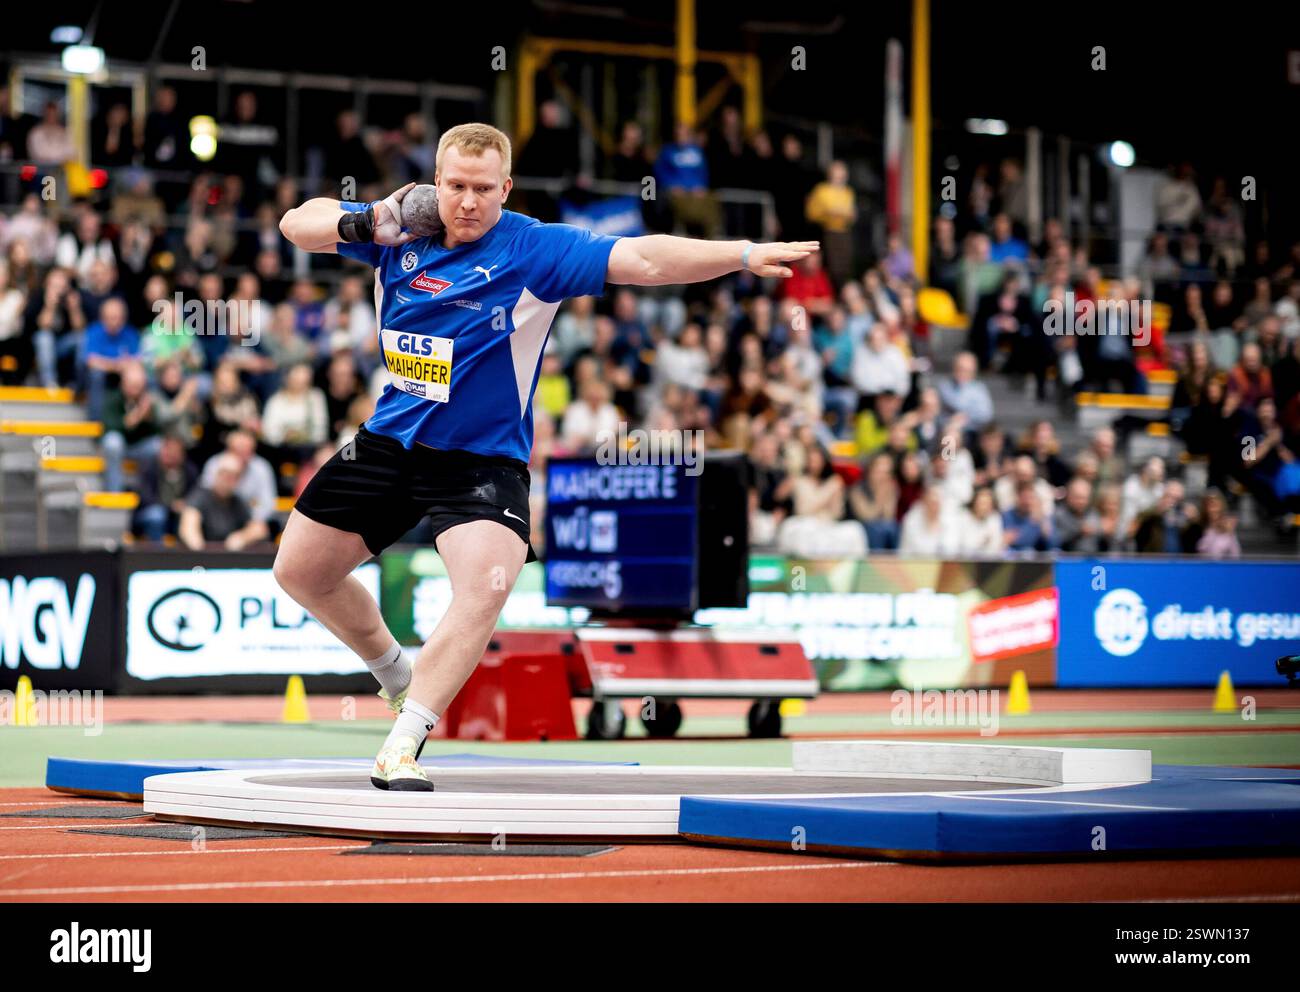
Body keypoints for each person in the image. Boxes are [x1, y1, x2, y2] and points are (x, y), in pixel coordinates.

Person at [274, 122, 819, 791]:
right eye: (454, 187)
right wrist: (376, 218)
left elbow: (644, 260)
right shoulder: (402, 235)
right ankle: (395, 676)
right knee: (300, 571)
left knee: (485, 588)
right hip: (390, 439)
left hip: (481, 459)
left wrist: (738, 253)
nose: (468, 203)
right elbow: (297, 224)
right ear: (435, 184)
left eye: (482, 189)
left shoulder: (533, 249)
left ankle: (403, 743)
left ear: (506, 188)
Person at [179, 453, 269, 550]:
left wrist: (242, 537)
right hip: (199, 559)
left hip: (228, 559)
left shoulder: (237, 501)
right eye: (225, 475)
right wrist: (198, 546)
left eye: (234, 476)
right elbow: (188, 524)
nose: (228, 480)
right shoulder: (200, 496)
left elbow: (259, 529)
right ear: (217, 474)